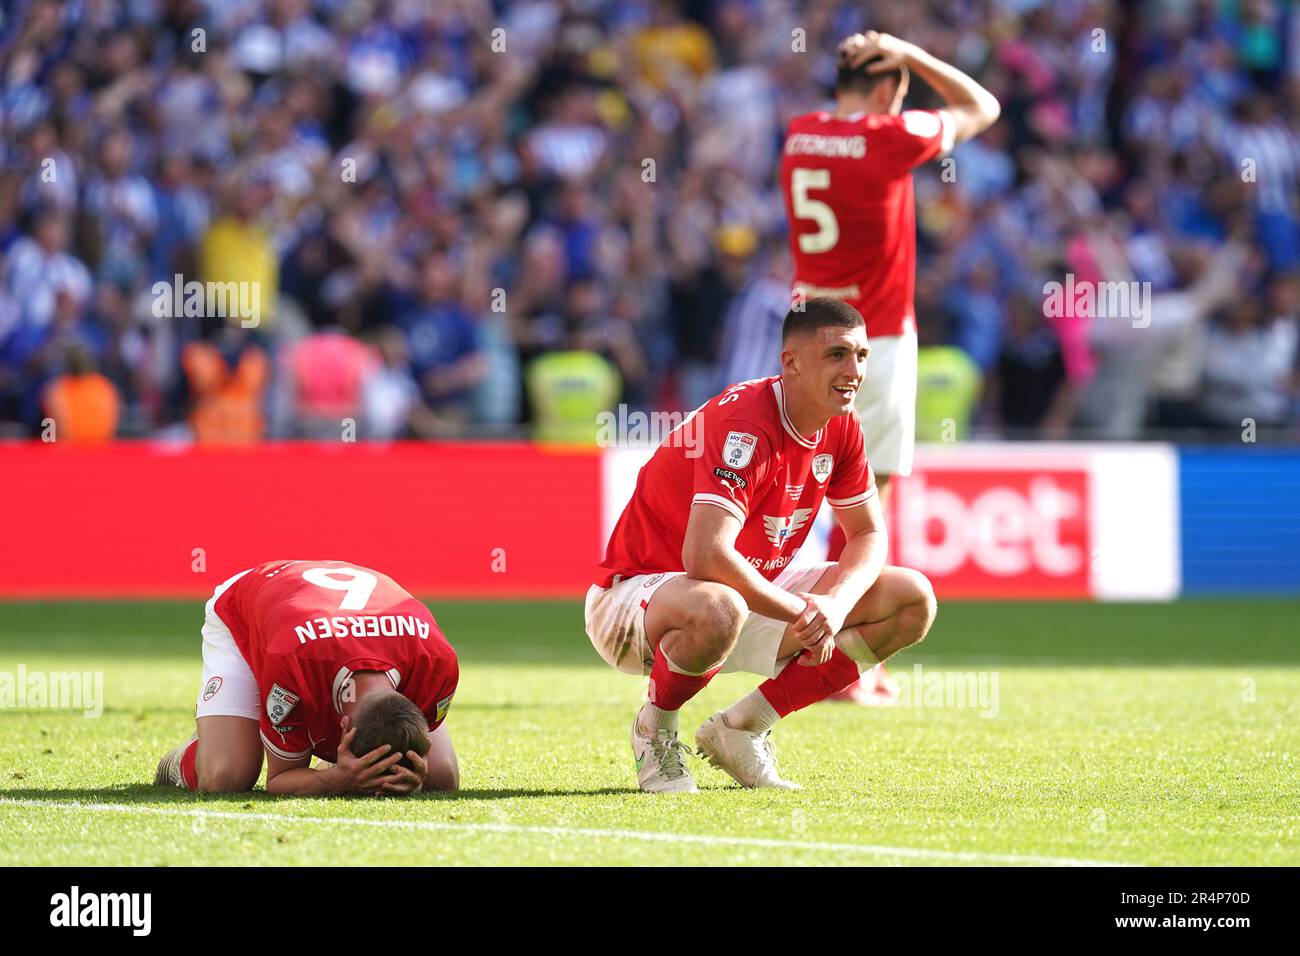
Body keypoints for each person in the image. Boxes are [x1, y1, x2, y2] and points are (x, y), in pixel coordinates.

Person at [585, 299, 937, 792]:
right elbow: (704, 556)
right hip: (635, 601)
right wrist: (802, 612)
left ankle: (742, 729)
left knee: (912, 598)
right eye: (837, 354)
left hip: (742, 593)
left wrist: (834, 606)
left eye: (861, 356)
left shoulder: (843, 426)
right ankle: (655, 728)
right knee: (720, 604)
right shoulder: (745, 424)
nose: (854, 370)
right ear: (790, 362)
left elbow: (869, 533)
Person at [779, 30, 999, 704]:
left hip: (802, 336)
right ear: (886, 91)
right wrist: (917, 53)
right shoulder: (888, 136)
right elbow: (982, 106)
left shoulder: (800, 133)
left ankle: (780, 631)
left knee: (797, 489)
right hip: (872, 342)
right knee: (867, 509)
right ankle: (848, 661)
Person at [155, 560, 459, 796]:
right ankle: (192, 749)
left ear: (417, 703)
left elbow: (432, 768)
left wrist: (412, 775)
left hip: (322, 621)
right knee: (226, 777)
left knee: (441, 777)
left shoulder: (438, 662)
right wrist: (334, 778)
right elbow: (279, 779)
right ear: (339, 726)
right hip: (249, 606)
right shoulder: (293, 659)